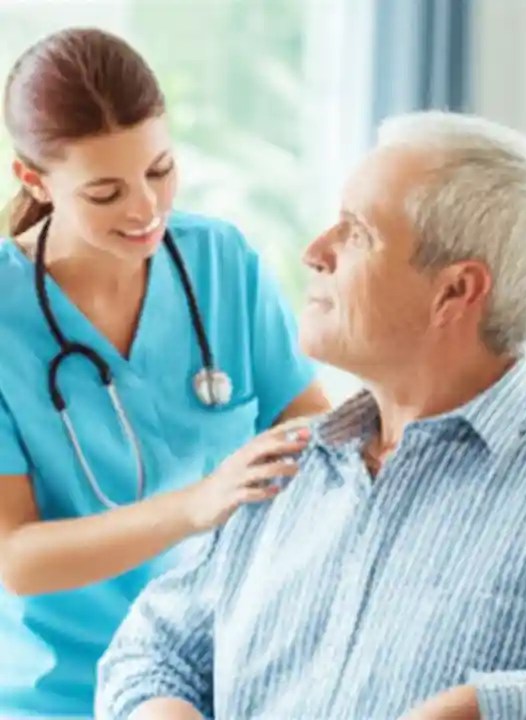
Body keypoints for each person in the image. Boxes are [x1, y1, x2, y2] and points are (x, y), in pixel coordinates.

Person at [95, 110, 526, 720]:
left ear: (455, 291)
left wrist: (488, 706)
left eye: (355, 232)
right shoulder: (283, 465)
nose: (315, 251)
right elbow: (151, 649)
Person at [0, 28, 331, 718]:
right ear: (33, 179)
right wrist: (195, 505)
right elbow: (17, 557)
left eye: (160, 170)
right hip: (63, 695)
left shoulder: (221, 263)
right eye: (105, 191)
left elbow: (314, 434)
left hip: (227, 670)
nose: (146, 209)